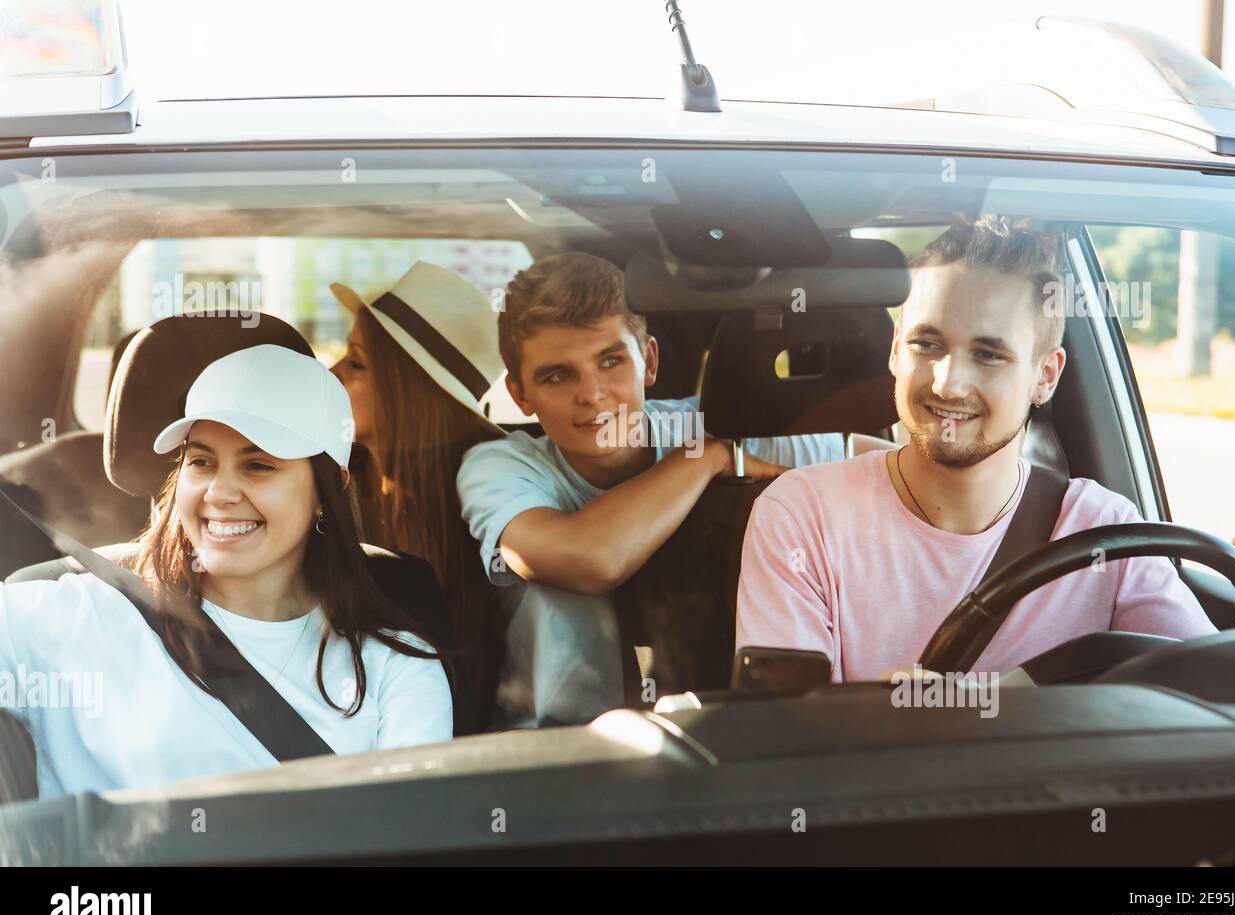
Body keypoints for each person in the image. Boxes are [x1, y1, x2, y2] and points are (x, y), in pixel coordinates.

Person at [735, 215, 1235, 680]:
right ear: (893, 353)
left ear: (1045, 377)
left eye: (988, 354)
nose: (948, 383)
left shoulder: (1107, 533)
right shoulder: (800, 516)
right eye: (926, 343)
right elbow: (789, 748)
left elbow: (1198, 713)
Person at [0, 344, 452, 798]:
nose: (218, 492)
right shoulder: (74, 616)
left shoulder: (397, 669)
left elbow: (406, 835)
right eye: (201, 461)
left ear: (326, 490)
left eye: (258, 466)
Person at [456, 252, 848, 727]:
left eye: (611, 360)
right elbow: (591, 560)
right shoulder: (501, 466)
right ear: (520, 395)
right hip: (557, 755)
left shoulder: (728, 422)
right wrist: (706, 458)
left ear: (651, 361)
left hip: (731, 735)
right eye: (558, 375)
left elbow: (869, 468)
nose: (592, 394)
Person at [329, 263, 506, 732]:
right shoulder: (331, 488)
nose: (332, 373)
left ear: (410, 389)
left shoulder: (487, 504)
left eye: (356, 363)